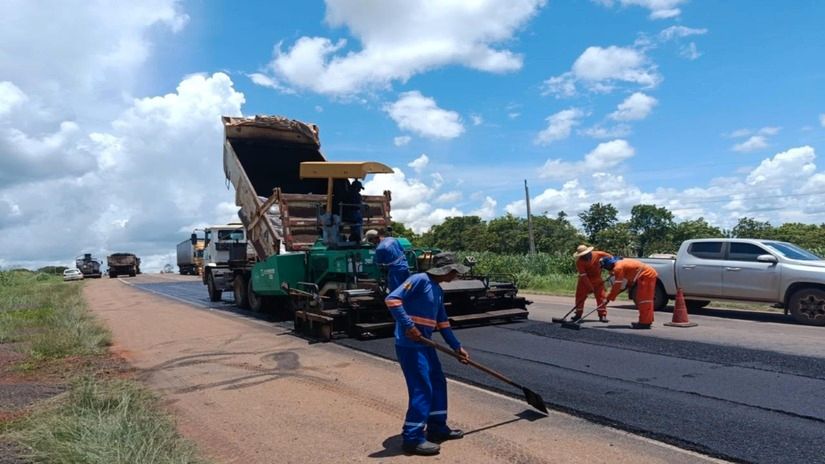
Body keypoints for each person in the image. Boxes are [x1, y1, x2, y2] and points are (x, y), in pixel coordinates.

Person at [385, 253, 470, 456]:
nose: (456, 275)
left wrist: (456, 347)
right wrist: (408, 326)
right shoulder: (418, 280)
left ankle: (437, 427)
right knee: (422, 388)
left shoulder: (438, 290)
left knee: (438, 382)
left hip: (426, 345)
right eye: (455, 271)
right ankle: (412, 438)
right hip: (410, 345)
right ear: (447, 270)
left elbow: (443, 322)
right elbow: (392, 300)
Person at [600, 256, 659, 329]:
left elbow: (617, 285)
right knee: (645, 299)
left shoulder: (618, 267)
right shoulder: (620, 264)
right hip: (646, 274)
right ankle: (647, 320)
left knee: (644, 300)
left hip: (646, 275)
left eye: (605, 267)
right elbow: (631, 274)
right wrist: (628, 285)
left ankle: (644, 323)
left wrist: (608, 298)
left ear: (608, 265)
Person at [572, 245, 612, 322]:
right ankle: (578, 314)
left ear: (588, 252)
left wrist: (609, 266)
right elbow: (583, 276)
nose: (583, 256)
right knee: (580, 297)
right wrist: (590, 287)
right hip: (584, 281)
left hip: (597, 279)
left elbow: (610, 258)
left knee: (601, 297)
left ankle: (602, 315)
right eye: (581, 255)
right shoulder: (579, 262)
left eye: (584, 254)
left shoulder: (598, 254)